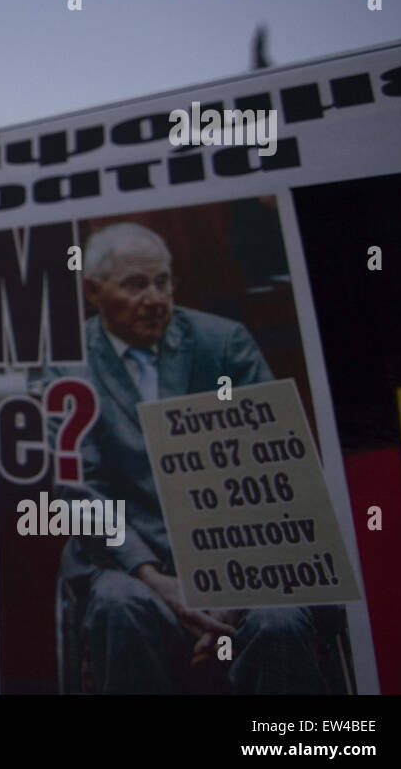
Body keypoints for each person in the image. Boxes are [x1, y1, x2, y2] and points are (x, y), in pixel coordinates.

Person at [49, 221, 326, 693]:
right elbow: (79, 492)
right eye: (136, 284)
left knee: (281, 622)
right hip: (132, 562)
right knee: (120, 607)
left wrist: (234, 592)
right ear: (93, 291)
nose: (156, 298)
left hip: (245, 557)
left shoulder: (225, 343)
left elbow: (276, 469)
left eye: (163, 281)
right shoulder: (67, 365)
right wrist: (156, 579)